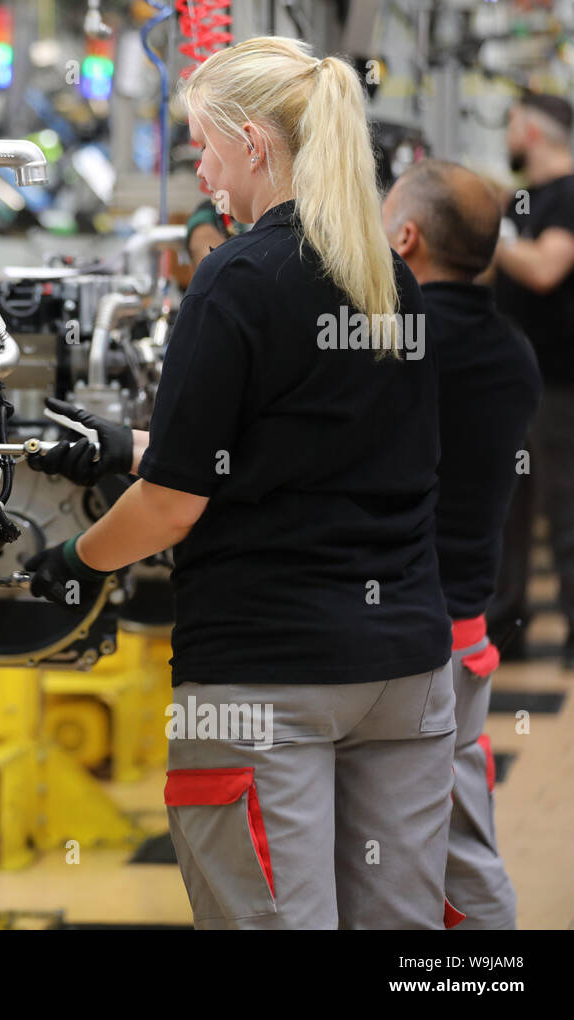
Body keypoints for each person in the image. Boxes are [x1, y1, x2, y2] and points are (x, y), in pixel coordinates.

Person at [26, 36, 454, 929]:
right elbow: (309, 451)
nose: (205, 175)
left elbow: (177, 508)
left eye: (205, 150)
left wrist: (76, 559)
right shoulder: (392, 282)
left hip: (268, 678)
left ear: (254, 144)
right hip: (405, 668)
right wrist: (139, 445)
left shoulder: (234, 281)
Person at [383, 158, 540, 928]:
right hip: (467, 630)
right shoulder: (512, 351)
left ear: (405, 237)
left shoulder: (392, 347)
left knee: (394, 849)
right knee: (462, 839)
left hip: (403, 643)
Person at [490, 93, 574, 667]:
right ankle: (506, 629)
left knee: (563, 510)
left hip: (560, 381)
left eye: (512, 125)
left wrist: (485, 233)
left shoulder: (568, 195)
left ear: (535, 133)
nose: (508, 136)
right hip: (515, 384)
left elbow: (546, 268)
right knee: (505, 509)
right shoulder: (524, 200)